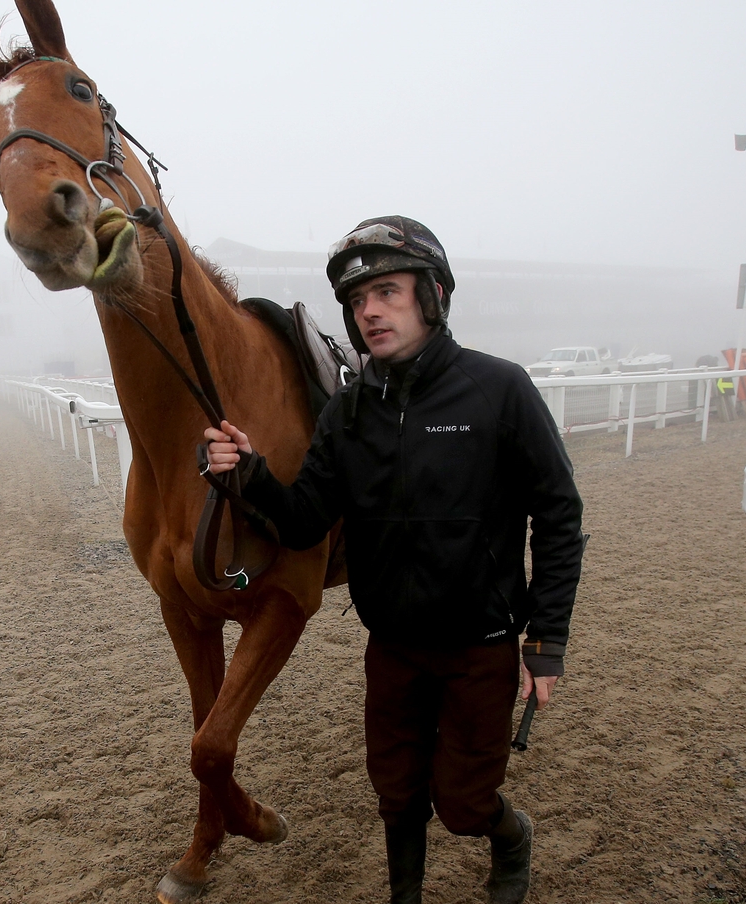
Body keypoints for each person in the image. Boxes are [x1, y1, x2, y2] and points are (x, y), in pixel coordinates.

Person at [204, 216, 584, 904]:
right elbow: (305, 522)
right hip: (394, 648)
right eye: (357, 301)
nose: (370, 310)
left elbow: (559, 514)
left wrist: (546, 638)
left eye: (387, 291)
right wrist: (250, 475)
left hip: (483, 643)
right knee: (397, 795)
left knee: (464, 803)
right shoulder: (347, 412)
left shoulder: (500, 390)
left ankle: (510, 835)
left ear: (432, 296)